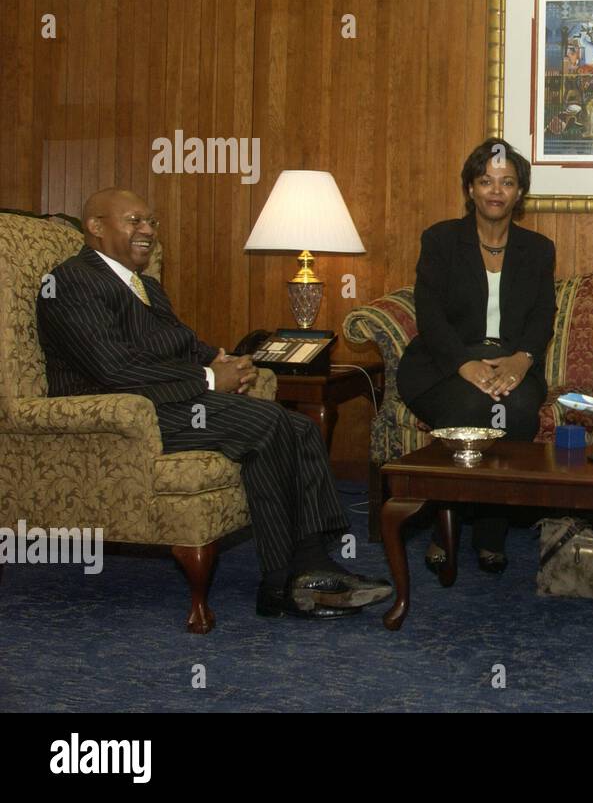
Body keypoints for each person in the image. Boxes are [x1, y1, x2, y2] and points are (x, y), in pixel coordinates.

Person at [37, 188, 392, 620]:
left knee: (297, 427)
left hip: (164, 400)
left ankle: (310, 567)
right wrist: (208, 378)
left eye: (152, 222)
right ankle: (283, 583)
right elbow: (114, 368)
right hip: (119, 413)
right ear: (95, 226)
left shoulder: (144, 286)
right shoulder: (71, 282)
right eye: (134, 221)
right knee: (267, 423)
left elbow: (181, 343)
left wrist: (220, 359)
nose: (147, 230)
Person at [397, 139, 556, 574]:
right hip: (443, 362)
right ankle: (445, 525)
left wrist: (523, 360)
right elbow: (429, 315)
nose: (496, 191)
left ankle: (491, 532)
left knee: (519, 409)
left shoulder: (538, 249)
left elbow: (544, 315)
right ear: (470, 188)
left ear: (519, 193)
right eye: (486, 180)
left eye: (507, 182)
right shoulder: (441, 240)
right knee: (469, 406)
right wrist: (465, 367)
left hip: (510, 361)